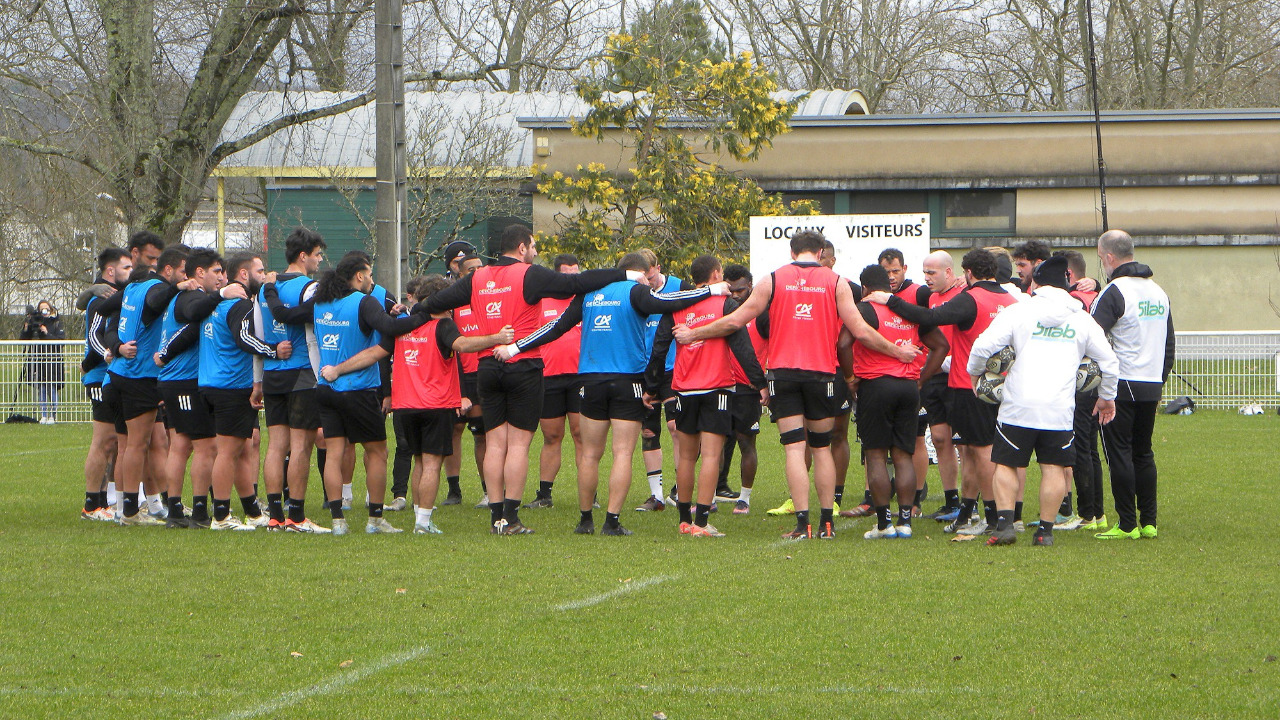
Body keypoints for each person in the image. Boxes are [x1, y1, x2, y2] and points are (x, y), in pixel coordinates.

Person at [674, 230, 918, 540]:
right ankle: (826, 523)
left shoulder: (773, 279)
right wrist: (898, 351)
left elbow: (736, 320)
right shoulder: (836, 281)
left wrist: (694, 333)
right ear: (820, 253)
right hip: (822, 375)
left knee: (794, 448)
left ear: (792, 252)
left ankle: (802, 524)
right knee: (821, 448)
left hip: (783, 376)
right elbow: (861, 330)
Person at [423, 224, 639, 535]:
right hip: (523, 366)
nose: (536, 253)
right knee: (518, 445)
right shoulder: (529, 274)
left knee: (495, 444)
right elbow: (576, 283)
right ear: (522, 248)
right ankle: (511, 519)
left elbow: (435, 303)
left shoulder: (477, 277)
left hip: (487, 366)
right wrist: (624, 275)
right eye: (533, 247)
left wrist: (415, 312)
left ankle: (496, 518)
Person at [524, 252, 725, 535]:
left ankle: (585, 520)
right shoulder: (636, 291)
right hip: (628, 380)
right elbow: (670, 302)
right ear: (639, 273)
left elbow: (557, 327)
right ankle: (611, 521)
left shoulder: (589, 293)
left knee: (590, 454)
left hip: (590, 380)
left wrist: (517, 346)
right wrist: (711, 291)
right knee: (622, 453)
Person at [319, 274, 513, 535]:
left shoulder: (402, 325)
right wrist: (497, 338)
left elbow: (375, 353)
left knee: (419, 461)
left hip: (404, 406)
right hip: (435, 405)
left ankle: (418, 515)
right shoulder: (443, 325)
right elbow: (464, 345)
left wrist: (337, 369)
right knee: (431, 463)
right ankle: (422, 522)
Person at [966, 256, 1120, 546]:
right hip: (1059, 409)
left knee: (1006, 465)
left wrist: (974, 375)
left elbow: (983, 346)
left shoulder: (1018, 311)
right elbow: (1109, 362)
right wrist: (1107, 397)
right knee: (1053, 468)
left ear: (1036, 284)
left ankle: (1005, 526)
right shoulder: (1081, 318)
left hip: (1017, 406)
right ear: (1066, 284)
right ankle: (1045, 532)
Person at [868, 248, 1017, 538]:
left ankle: (993, 517)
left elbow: (931, 316)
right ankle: (968, 512)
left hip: (969, 386)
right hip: (1003, 385)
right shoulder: (1010, 300)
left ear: (968, 273)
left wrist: (890, 300)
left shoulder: (972, 298)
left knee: (981, 452)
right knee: (972, 452)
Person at [312, 255, 432, 535]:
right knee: (377, 451)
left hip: (325, 388)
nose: (371, 280)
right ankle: (375, 520)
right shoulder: (363, 302)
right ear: (358, 276)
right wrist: (421, 315)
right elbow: (390, 329)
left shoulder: (320, 302)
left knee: (334, 454)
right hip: (358, 389)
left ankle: (338, 522)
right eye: (369, 274)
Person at [647, 255, 765, 538]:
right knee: (711, 455)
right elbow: (743, 348)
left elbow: (659, 349)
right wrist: (760, 382)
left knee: (687, 457)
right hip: (716, 388)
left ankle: (684, 520)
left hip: (683, 389)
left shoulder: (678, 305)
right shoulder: (725, 304)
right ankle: (701, 522)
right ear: (716, 274)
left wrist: (651, 387)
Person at [91, 245, 192, 526]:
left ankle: (124, 509)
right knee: (137, 446)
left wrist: (119, 341)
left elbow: (103, 308)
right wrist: (177, 288)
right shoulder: (157, 288)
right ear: (169, 270)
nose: (187, 277)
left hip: (115, 376)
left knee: (126, 446)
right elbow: (157, 301)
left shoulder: (133, 287)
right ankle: (131, 513)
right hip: (138, 378)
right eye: (184, 271)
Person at [189, 252, 285, 531]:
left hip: (209, 384)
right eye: (260, 271)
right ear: (244, 274)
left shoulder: (216, 302)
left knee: (242, 450)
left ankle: (252, 512)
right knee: (227, 452)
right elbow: (243, 338)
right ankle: (221, 516)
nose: (264, 275)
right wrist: (273, 351)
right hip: (229, 387)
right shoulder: (239, 303)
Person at [1091, 229, 1174, 540]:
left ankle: (1127, 524)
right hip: (1151, 384)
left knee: (1119, 454)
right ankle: (1149, 522)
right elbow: (1169, 345)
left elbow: (1090, 336)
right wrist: (1159, 380)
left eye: (1101, 259)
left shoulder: (1114, 291)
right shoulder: (1159, 292)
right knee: (1143, 452)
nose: (1103, 264)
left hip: (1120, 385)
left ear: (1110, 257)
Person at [853, 265, 948, 539]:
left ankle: (884, 524)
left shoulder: (865, 309)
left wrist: (849, 378)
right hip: (908, 387)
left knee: (875, 455)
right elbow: (942, 345)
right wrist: (921, 379)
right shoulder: (907, 310)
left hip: (875, 384)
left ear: (865, 288)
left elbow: (844, 343)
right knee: (903, 455)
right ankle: (905, 521)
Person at [258, 228, 327, 529]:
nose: (320, 261)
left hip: (272, 372)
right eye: (317, 255)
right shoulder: (309, 288)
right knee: (301, 446)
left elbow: (259, 333)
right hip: (301, 372)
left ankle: (275, 515)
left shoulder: (265, 287)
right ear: (303, 256)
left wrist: (257, 379)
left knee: (276, 446)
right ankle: (296, 516)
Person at [153, 248, 224, 528]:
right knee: (207, 446)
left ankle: (175, 512)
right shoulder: (193, 296)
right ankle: (199, 512)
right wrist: (221, 295)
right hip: (183, 381)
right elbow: (194, 321)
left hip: (174, 382)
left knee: (180, 446)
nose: (221, 277)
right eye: (216, 272)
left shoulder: (184, 296)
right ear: (200, 273)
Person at [635, 247, 694, 512]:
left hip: (673, 369)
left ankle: (681, 490)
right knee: (648, 432)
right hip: (643, 370)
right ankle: (656, 496)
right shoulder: (635, 292)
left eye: (650, 277)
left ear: (658, 268)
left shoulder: (680, 287)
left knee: (675, 427)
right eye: (642, 279)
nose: (647, 283)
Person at [878, 248, 936, 514]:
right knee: (880, 441)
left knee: (916, 438)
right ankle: (875, 497)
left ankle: (915, 499)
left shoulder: (920, 293)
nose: (891, 276)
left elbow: (935, 319)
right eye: (886, 272)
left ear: (904, 269)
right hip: (883, 377)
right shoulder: (876, 295)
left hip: (914, 376)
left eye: (895, 271)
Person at [526, 253, 585, 509]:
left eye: (575, 273)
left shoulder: (585, 300)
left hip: (580, 377)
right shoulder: (541, 301)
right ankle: (544, 495)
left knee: (581, 435)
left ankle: (589, 495)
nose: (572, 279)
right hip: (548, 376)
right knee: (551, 435)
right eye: (566, 274)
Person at [78, 248, 133, 521]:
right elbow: (94, 335)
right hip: (99, 376)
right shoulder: (101, 298)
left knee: (114, 442)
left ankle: (104, 502)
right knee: (103, 441)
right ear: (110, 271)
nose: (131, 272)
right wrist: (107, 353)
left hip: (110, 375)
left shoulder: (116, 295)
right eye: (126, 268)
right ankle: (91, 505)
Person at [716, 264, 768, 515]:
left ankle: (744, 498)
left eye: (741, 290)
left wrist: (765, 380)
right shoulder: (721, 311)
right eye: (732, 290)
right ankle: (710, 496)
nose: (736, 295)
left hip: (748, 390)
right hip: (721, 386)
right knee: (714, 443)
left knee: (746, 443)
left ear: (750, 286)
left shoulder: (761, 316)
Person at [443, 252, 487, 508]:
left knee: (483, 434)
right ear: (459, 274)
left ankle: (489, 491)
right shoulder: (453, 304)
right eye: (471, 270)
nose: (477, 273)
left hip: (484, 373)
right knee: (454, 431)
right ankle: (454, 490)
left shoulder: (491, 299)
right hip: (458, 375)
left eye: (481, 268)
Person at [21, 300, 66, 424]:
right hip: (38, 359)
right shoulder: (34, 322)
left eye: (46, 309)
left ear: (51, 309)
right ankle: (43, 415)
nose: (44, 311)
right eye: (41, 309)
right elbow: (24, 339)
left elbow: (60, 341)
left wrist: (46, 333)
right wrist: (26, 327)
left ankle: (53, 416)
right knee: (42, 387)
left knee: (52, 387)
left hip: (53, 360)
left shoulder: (56, 323)